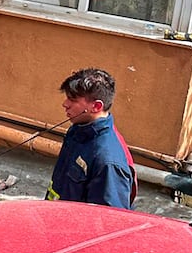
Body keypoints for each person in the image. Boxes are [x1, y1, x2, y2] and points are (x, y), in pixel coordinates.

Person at [46, 68, 137, 209]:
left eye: (72, 100)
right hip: (56, 217)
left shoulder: (107, 161)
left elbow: (108, 219)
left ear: (96, 106)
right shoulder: (78, 129)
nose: (65, 104)